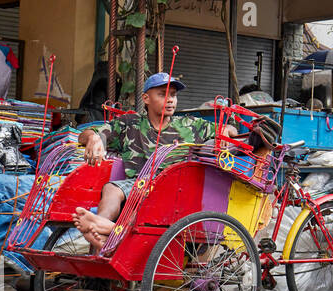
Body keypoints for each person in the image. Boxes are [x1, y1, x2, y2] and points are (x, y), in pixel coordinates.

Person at [71, 73, 277, 248]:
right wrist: (94, 138)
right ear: (146, 98)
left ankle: (109, 231)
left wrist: (225, 130)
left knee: (146, 200)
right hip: (136, 184)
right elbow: (88, 132)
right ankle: (100, 223)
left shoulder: (190, 125)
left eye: (173, 95)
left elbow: (231, 130)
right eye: (162, 94)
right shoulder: (130, 123)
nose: (170, 100)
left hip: (173, 189)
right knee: (111, 189)